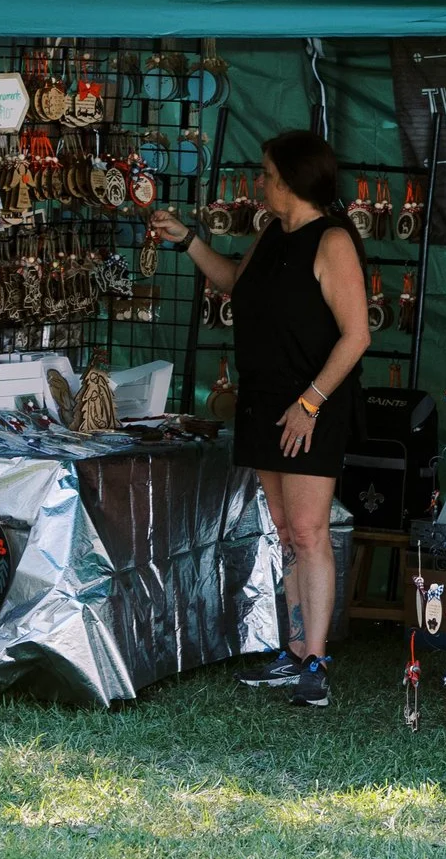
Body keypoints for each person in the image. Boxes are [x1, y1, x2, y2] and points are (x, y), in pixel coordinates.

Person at [151, 131, 370, 709]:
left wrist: (310, 403)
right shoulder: (273, 232)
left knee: (309, 532)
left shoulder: (332, 241)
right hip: (264, 404)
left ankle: (315, 662)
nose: (259, 182)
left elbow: (357, 336)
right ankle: (295, 650)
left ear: (292, 180)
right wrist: (188, 241)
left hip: (309, 408)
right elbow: (231, 281)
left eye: (267, 174)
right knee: (285, 533)